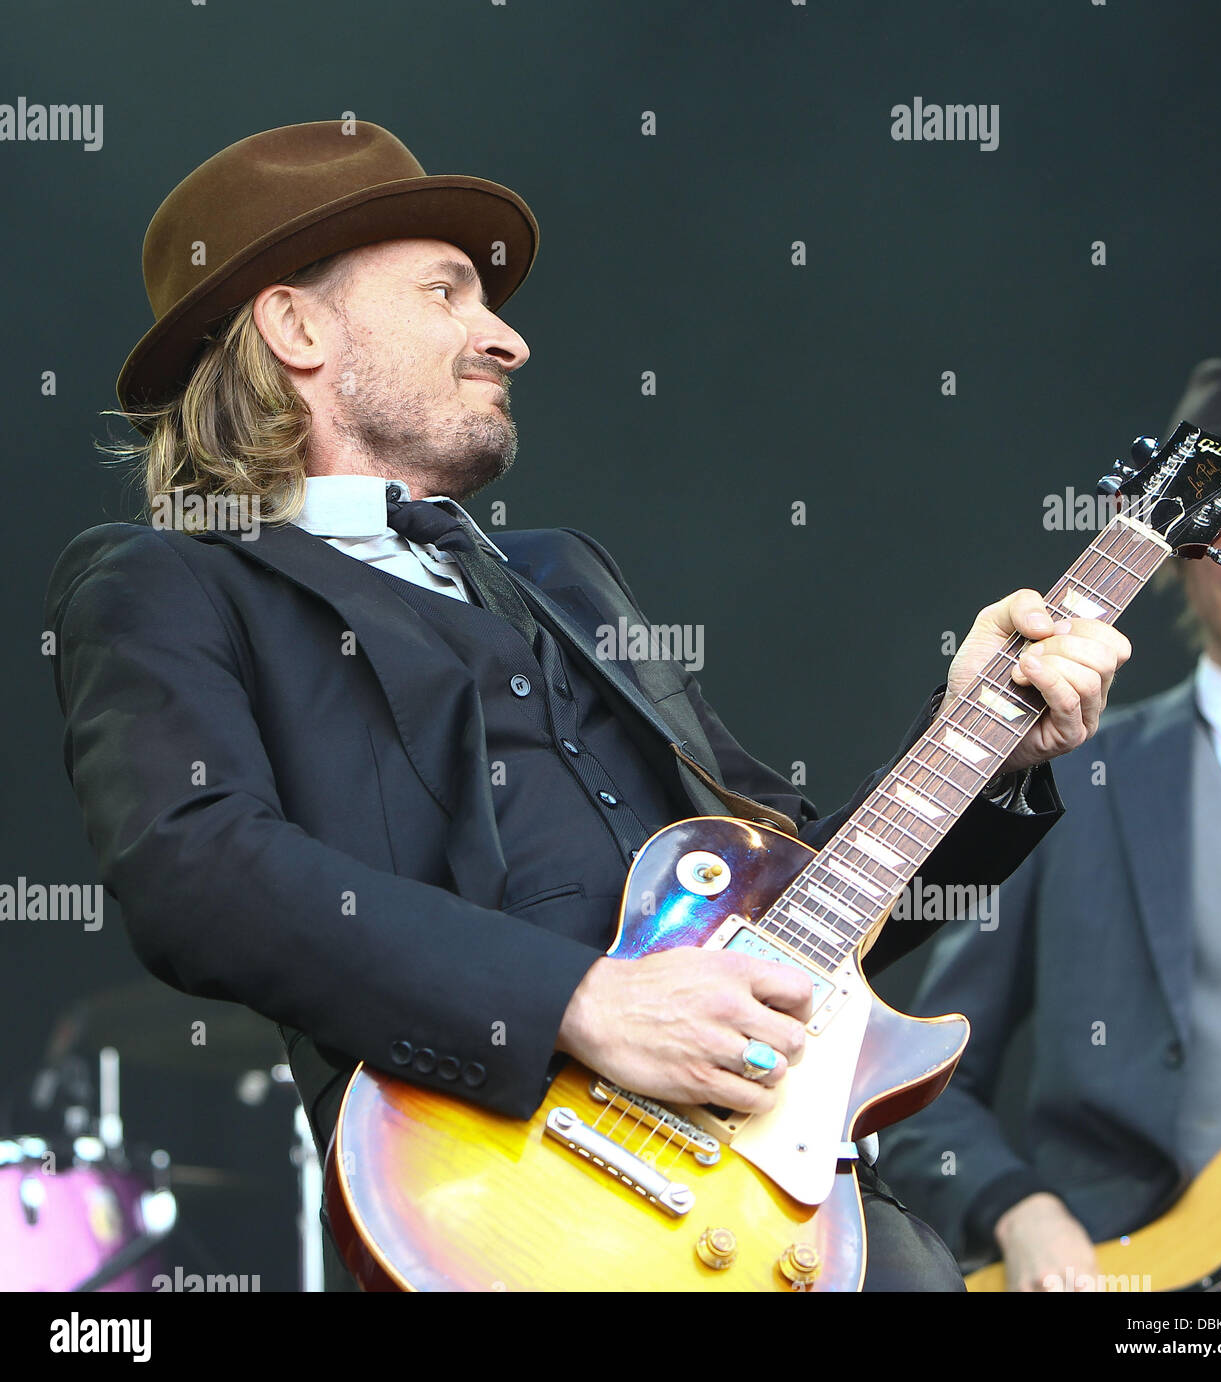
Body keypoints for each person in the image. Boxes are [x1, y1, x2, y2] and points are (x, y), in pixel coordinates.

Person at [43, 119, 1128, 1291]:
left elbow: (808, 906)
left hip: (798, 1214)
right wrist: (577, 1002)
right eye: (447, 292)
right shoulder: (173, 576)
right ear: (296, 327)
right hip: (509, 1204)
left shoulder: (564, 573)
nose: (504, 337)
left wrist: (979, 743)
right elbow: (197, 866)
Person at [879, 349, 1221, 1291]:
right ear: (1186, 539)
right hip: (1131, 1289)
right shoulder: (1061, 774)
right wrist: (1017, 1213)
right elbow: (909, 1077)